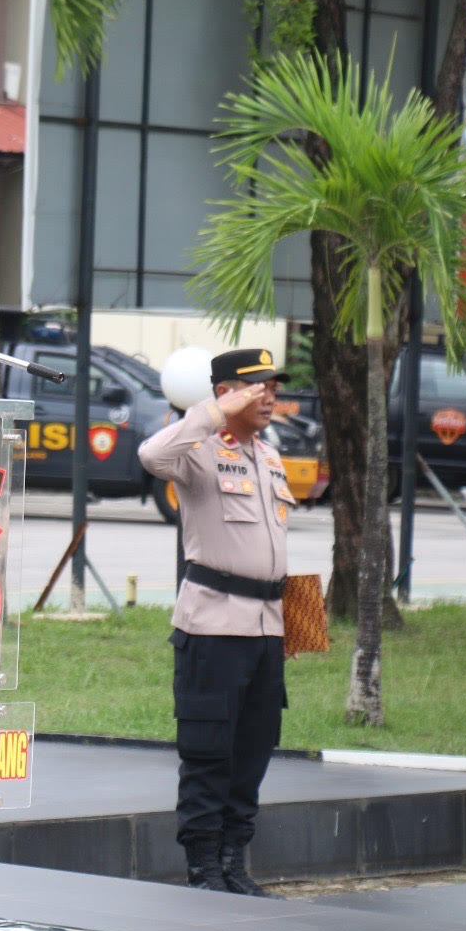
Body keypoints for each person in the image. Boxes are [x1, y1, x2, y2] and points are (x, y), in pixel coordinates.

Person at [137, 348, 294, 899]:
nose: (269, 396)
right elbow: (152, 454)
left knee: (253, 752)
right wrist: (209, 412)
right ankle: (203, 871)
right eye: (257, 388)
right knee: (209, 753)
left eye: (273, 387)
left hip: (266, 627)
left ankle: (234, 864)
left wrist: (295, 621)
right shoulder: (200, 450)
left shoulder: (269, 457)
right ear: (227, 392)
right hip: (213, 628)